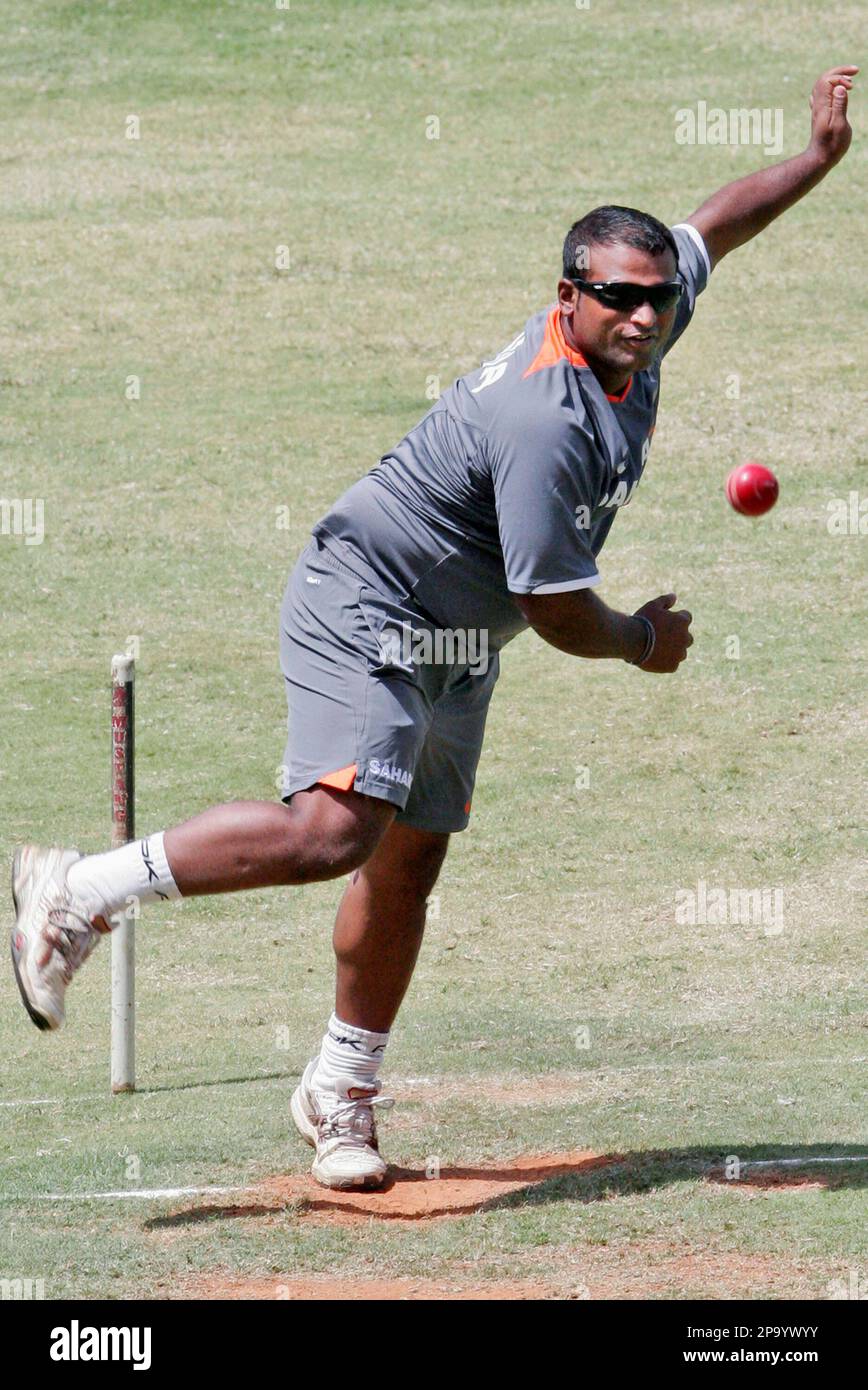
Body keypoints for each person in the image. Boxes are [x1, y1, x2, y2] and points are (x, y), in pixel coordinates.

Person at [10, 66, 857, 1190]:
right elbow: (559, 612)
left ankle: (338, 1091)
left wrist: (814, 160)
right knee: (335, 832)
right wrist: (641, 640)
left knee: (409, 861)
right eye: (618, 298)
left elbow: (714, 226)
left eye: (654, 297)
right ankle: (78, 889)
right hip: (371, 597)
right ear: (568, 295)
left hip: (462, 633)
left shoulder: (646, 318)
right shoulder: (542, 418)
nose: (643, 317)